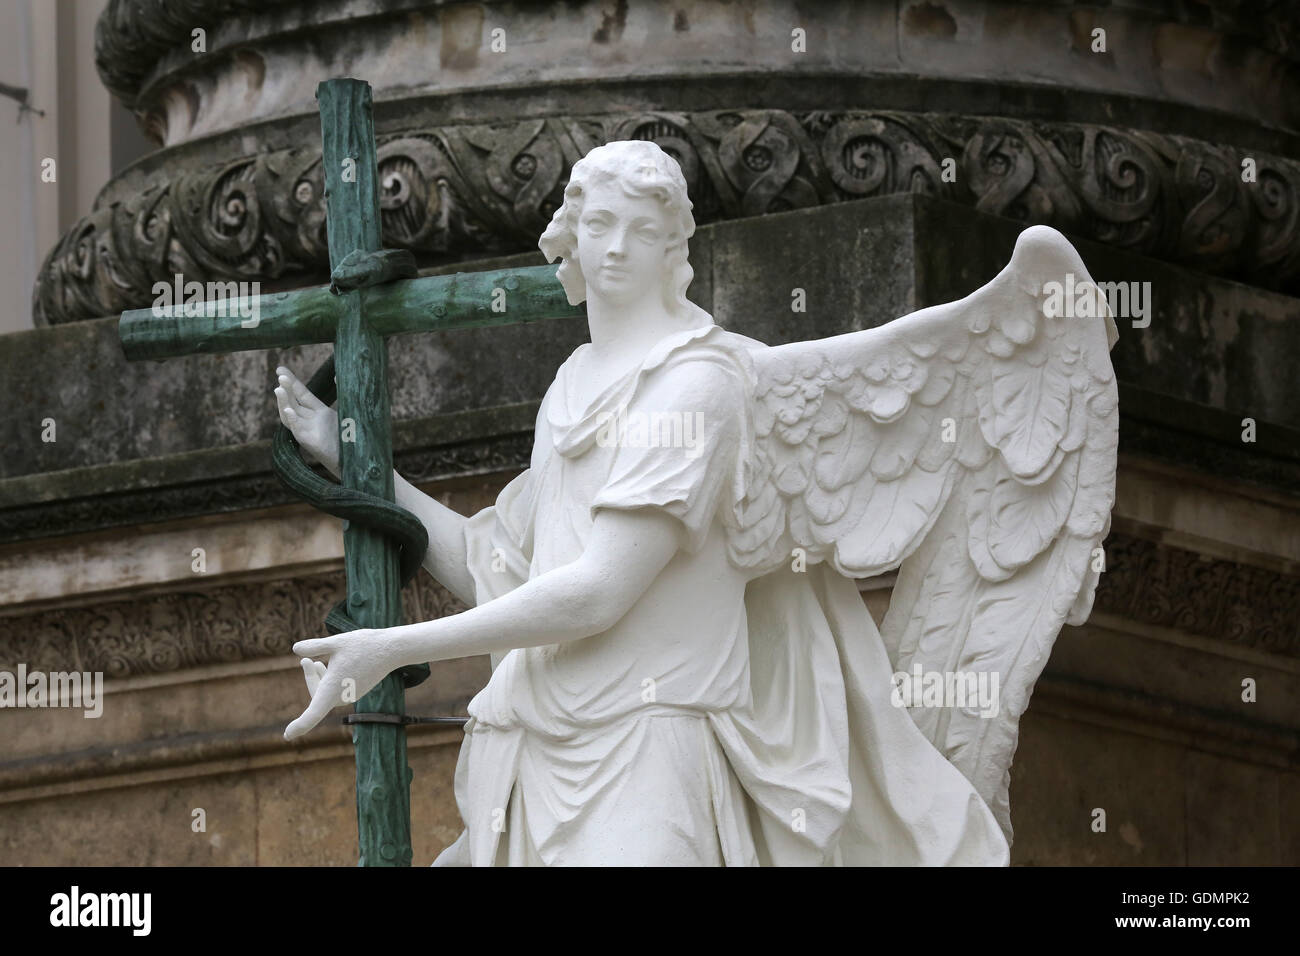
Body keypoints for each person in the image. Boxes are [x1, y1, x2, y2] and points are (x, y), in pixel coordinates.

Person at [275, 140, 1007, 866]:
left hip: (647, 757)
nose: (617, 248)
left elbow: (598, 592)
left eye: (644, 231)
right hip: (533, 757)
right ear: (572, 236)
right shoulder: (571, 384)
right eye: (599, 226)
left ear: (674, 252)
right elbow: (497, 568)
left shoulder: (699, 386)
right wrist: (359, 466)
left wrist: (394, 646)